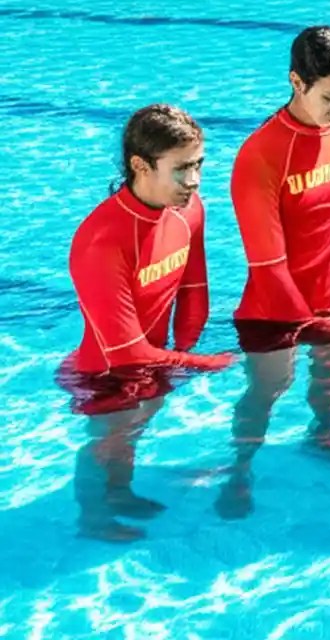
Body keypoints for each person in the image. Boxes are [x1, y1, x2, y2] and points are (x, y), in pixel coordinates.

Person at [219, 26, 330, 519]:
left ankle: (325, 434)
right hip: (273, 312)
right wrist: (316, 323)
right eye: (329, 97)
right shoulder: (260, 155)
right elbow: (267, 265)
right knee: (268, 390)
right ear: (297, 82)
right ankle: (241, 467)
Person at [61, 104, 234, 542]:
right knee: (106, 441)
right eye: (181, 169)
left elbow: (194, 288)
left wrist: (186, 350)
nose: (193, 181)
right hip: (105, 372)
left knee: (134, 431)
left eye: (198, 166)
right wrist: (201, 364)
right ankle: (91, 521)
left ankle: (119, 495)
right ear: (141, 165)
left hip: (155, 359)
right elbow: (125, 351)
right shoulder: (102, 241)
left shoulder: (189, 209)